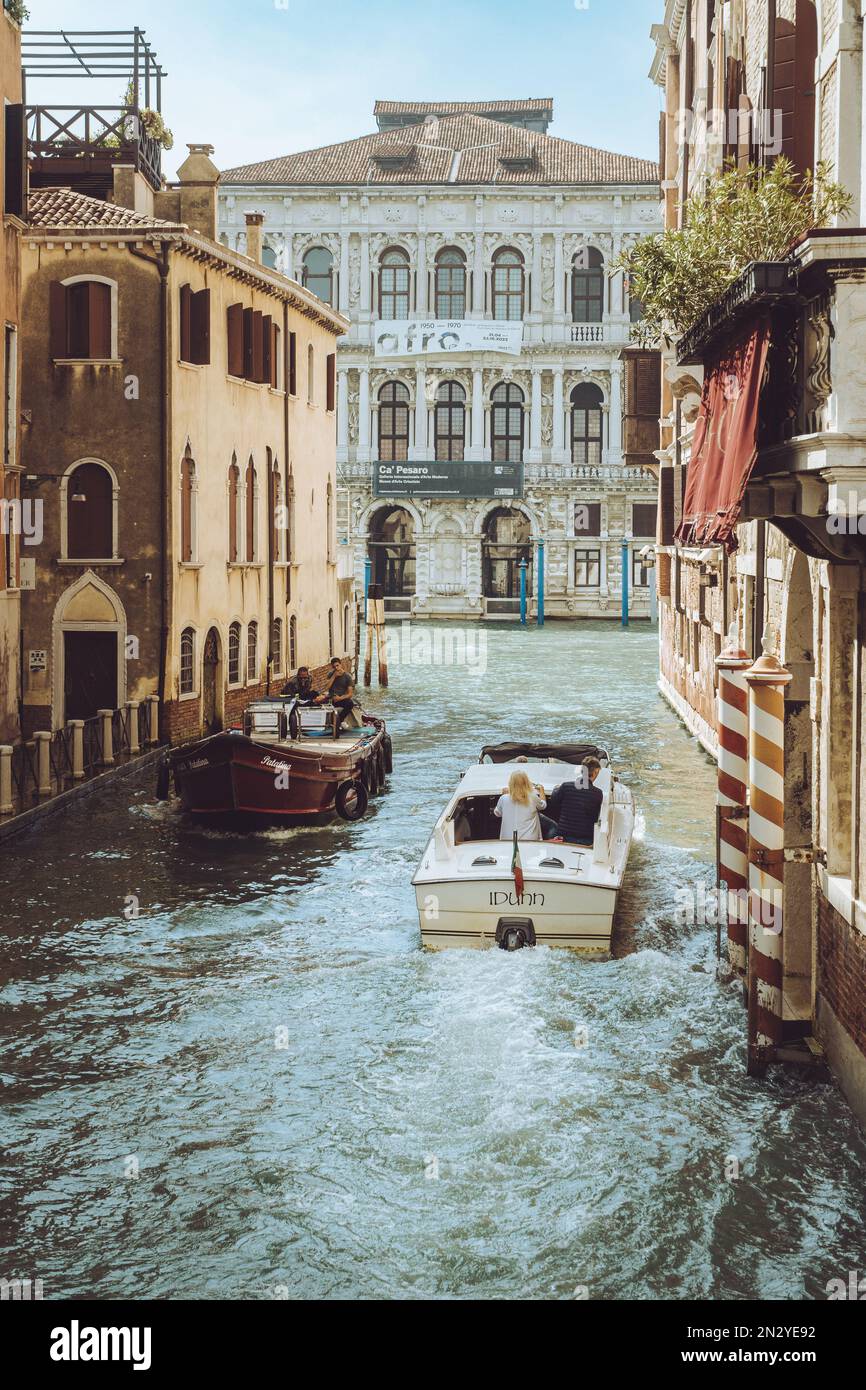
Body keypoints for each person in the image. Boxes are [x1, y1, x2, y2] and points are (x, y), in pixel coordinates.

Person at [546, 757, 604, 846]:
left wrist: (556, 789)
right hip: (585, 840)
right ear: (595, 772)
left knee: (551, 826)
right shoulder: (598, 793)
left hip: (563, 837)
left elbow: (554, 801)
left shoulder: (566, 786)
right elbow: (595, 816)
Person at [493, 769, 547, 842]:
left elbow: (497, 813)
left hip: (508, 840)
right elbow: (543, 806)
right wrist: (542, 791)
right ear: (526, 782)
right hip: (530, 840)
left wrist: (503, 795)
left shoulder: (503, 798)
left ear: (511, 783)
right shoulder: (532, 797)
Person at [314, 657, 356, 733]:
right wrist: (334, 676)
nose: (336, 668)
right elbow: (326, 688)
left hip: (341, 698)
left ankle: (339, 720)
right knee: (316, 699)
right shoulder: (330, 674)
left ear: (341, 664)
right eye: (334, 667)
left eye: (337, 666)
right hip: (330, 697)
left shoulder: (347, 676)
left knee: (350, 703)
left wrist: (340, 698)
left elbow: (350, 694)